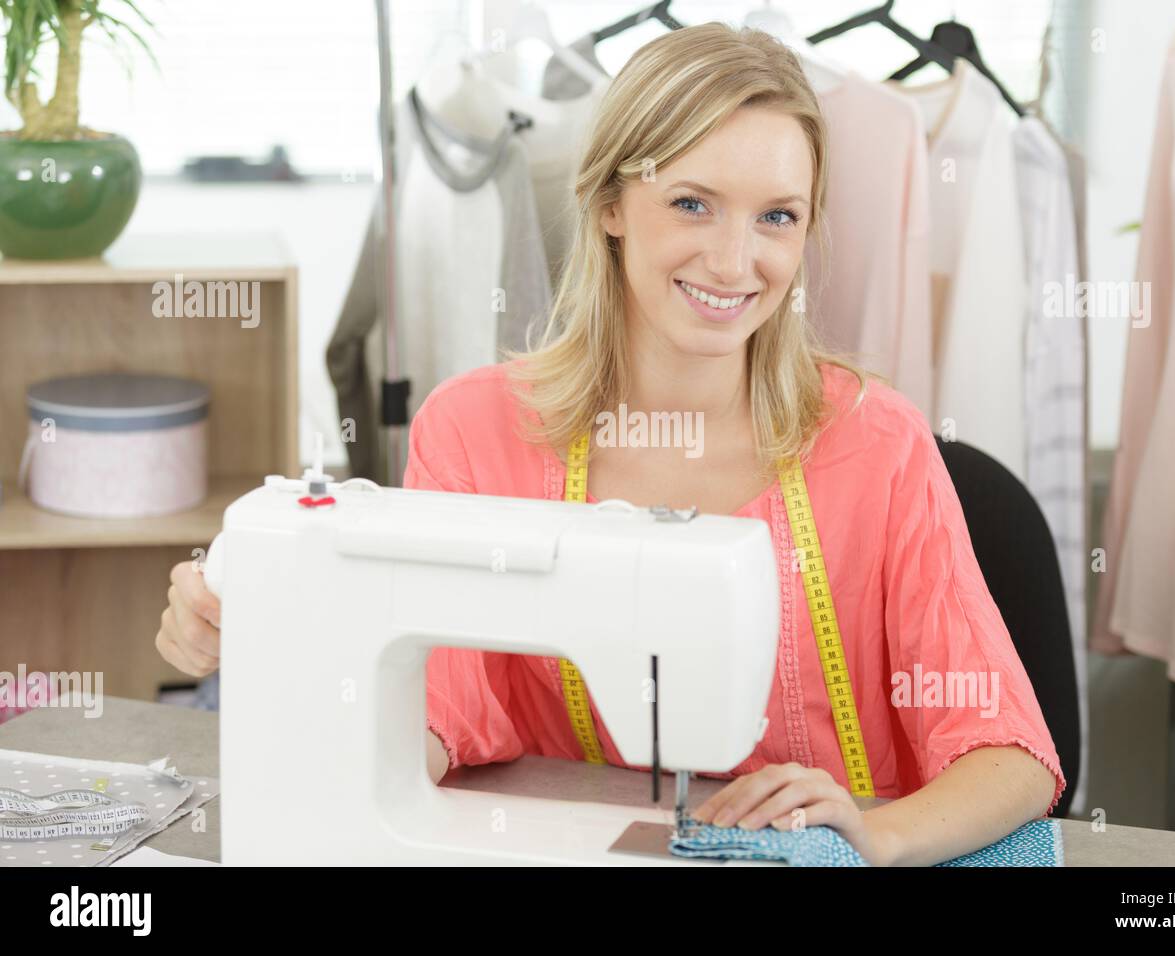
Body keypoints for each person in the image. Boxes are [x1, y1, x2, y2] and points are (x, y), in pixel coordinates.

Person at [157, 22, 1064, 866]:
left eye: (777, 217)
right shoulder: (476, 434)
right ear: (610, 206)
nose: (734, 260)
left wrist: (867, 835)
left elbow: (1014, 757)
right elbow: (429, 730)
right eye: (693, 203)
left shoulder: (876, 441)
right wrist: (286, 641)